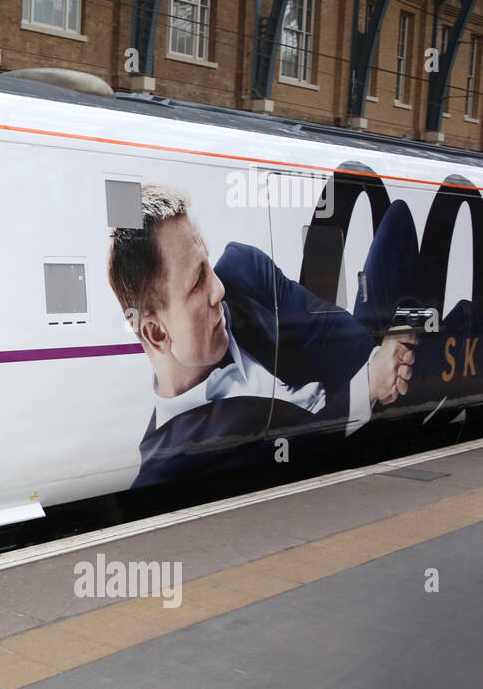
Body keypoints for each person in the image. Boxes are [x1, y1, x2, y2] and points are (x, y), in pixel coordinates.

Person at [108, 185, 417, 488]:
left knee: (399, 220)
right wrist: (368, 386)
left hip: (379, 377)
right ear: (157, 333)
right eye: (197, 282)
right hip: (355, 464)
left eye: (207, 265)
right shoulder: (167, 465)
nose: (218, 290)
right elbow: (292, 463)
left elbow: (348, 344)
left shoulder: (244, 272)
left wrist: (378, 368)